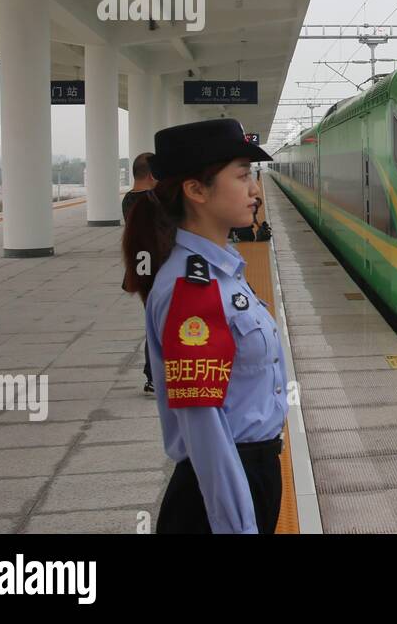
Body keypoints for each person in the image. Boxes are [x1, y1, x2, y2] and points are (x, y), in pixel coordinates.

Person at [121, 119, 287, 534]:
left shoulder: (223, 270)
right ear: (196, 190)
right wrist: (237, 526)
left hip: (252, 474)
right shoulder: (193, 290)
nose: (255, 190)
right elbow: (203, 427)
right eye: (243, 175)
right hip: (223, 487)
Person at [121, 153, 158, 394]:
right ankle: (154, 375)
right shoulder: (153, 200)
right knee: (158, 324)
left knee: (154, 322)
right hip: (157, 269)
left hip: (140, 269)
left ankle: (154, 374)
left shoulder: (128, 199)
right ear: (153, 174)